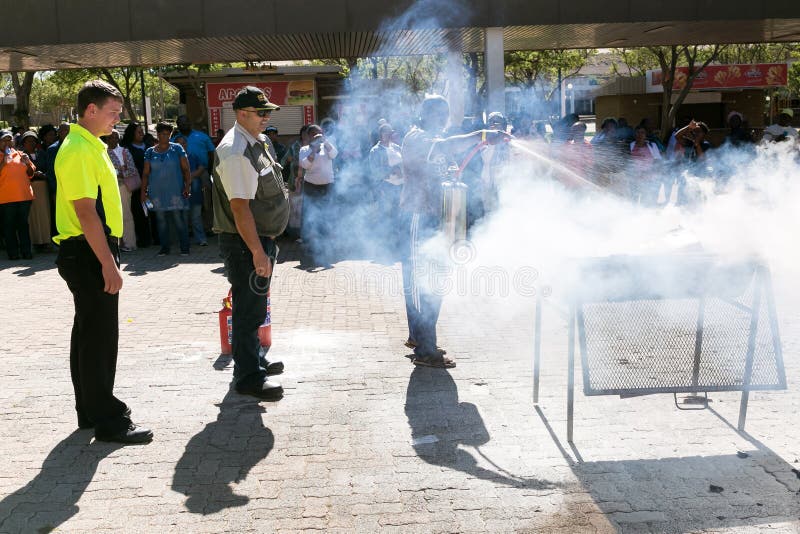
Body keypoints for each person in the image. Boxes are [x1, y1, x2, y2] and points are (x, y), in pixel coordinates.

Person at [53, 79, 152, 444]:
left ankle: (89, 411)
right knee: (100, 339)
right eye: (112, 113)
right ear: (90, 110)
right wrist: (108, 264)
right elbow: (85, 213)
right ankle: (108, 419)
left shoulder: (88, 144)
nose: (117, 120)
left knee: (88, 335)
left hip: (85, 250)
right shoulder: (78, 148)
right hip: (88, 250)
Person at [400, 95, 511, 368]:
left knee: (433, 281)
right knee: (421, 282)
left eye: (445, 113)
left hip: (438, 219)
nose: (443, 118)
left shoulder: (437, 139)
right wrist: (481, 134)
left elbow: (446, 165)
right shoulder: (417, 137)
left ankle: (420, 339)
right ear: (424, 114)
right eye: (438, 113)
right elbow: (444, 146)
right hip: (419, 216)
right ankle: (425, 350)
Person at [212, 86, 288, 400]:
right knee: (247, 309)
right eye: (261, 112)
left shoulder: (257, 141)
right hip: (245, 244)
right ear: (241, 114)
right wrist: (257, 251)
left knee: (256, 306)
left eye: (268, 111)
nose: (266, 117)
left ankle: (254, 359)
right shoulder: (235, 151)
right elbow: (240, 207)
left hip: (257, 241)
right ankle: (248, 377)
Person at [141, 122, 191, 256]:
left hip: (175, 191)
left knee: (178, 220)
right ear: (157, 135)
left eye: (167, 134)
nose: (165, 136)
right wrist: (143, 193)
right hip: (156, 193)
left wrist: (187, 186)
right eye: (162, 134)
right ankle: (165, 248)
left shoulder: (177, 149)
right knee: (161, 221)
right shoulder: (150, 152)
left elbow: (186, 170)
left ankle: (185, 247)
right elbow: (145, 174)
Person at [299, 123, 338, 260]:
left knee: (327, 216)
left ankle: (328, 248)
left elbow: (334, 154)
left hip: (327, 187)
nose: (317, 135)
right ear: (308, 136)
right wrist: (313, 150)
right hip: (311, 187)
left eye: (319, 133)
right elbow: (305, 165)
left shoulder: (327, 147)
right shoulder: (304, 149)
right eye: (314, 134)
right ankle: (312, 248)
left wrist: (325, 142)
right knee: (312, 218)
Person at [0, 129, 36, 259]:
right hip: (5, 198)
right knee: (9, 227)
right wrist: (3, 162)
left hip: (24, 197)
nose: (7, 143)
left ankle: (26, 252)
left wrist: (27, 163)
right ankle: (13, 253)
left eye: (9, 139)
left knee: (23, 225)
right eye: (4, 140)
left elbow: (31, 174)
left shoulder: (20, 154)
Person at [102, 130, 139, 251]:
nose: (113, 139)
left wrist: (119, 172)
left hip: (123, 187)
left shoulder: (124, 151)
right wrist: (118, 171)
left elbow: (132, 170)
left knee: (126, 214)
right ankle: (115, 244)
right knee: (111, 216)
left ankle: (129, 243)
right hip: (107, 187)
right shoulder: (102, 152)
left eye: (116, 137)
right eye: (110, 137)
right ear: (106, 139)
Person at [368, 123, 404, 248]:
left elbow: (405, 164)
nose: (388, 135)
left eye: (390, 132)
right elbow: (374, 171)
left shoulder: (397, 148)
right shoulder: (375, 151)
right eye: (385, 132)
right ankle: (385, 244)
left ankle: (397, 242)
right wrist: (392, 170)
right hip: (386, 186)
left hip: (400, 186)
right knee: (385, 215)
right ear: (380, 134)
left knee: (398, 214)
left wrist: (400, 170)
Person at [121, 122, 154, 247]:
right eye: (138, 131)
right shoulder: (127, 148)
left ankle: (156, 238)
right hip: (136, 187)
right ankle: (143, 238)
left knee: (153, 211)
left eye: (142, 131)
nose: (141, 133)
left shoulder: (149, 147)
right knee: (139, 213)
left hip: (152, 184)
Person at [173, 133, 207, 246]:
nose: (182, 145)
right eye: (179, 143)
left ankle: (201, 239)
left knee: (196, 217)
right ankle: (184, 241)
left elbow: (202, 167)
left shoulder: (193, 156)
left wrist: (189, 176)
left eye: (183, 143)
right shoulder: (172, 159)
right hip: (179, 193)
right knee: (182, 218)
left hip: (195, 193)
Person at [21, 130, 51, 251]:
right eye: (28, 141)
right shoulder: (21, 155)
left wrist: (44, 174)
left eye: (33, 141)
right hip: (29, 187)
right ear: (23, 143)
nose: (31, 143)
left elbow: (49, 167)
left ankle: (45, 242)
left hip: (42, 187)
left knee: (44, 215)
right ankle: (35, 242)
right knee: (32, 216)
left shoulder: (42, 154)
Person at [628, 125, 663, 206]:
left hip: (649, 179)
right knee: (634, 202)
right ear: (634, 134)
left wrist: (648, 172)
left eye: (642, 132)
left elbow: (658, 161)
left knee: (646, 202)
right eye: (638, 132)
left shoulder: (652, 145)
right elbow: (627, 161)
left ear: (645, 135)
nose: (640, 135)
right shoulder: (630, 145)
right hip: (634, 180)